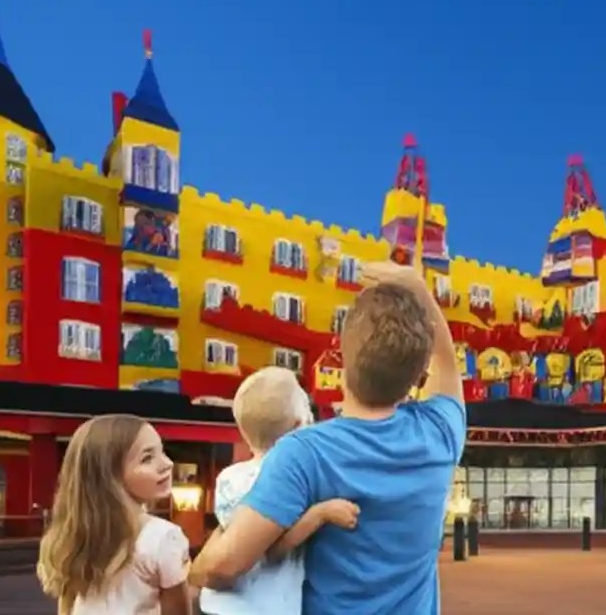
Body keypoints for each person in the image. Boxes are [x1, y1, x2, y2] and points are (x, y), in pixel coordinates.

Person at [190, 261, 466, 614]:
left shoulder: (303, 452)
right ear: (418, 377)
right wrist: (421, 290)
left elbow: (223, 566)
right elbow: (449, 364)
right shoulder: (440, 434)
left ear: (342, 355)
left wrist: (193, 568)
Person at [200, 366, 360, 615]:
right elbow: (271, 549)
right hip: (260, 607)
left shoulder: (230, 477)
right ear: (300, 426)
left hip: (218, 604)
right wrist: (320, 514)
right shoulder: (284, 478)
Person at [36, 414, 191, 615]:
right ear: (110, 477)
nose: (167, 464)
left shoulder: (74, 534)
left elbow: (66, 607)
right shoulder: (164, 537)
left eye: (162, 452)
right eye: (147, 458)